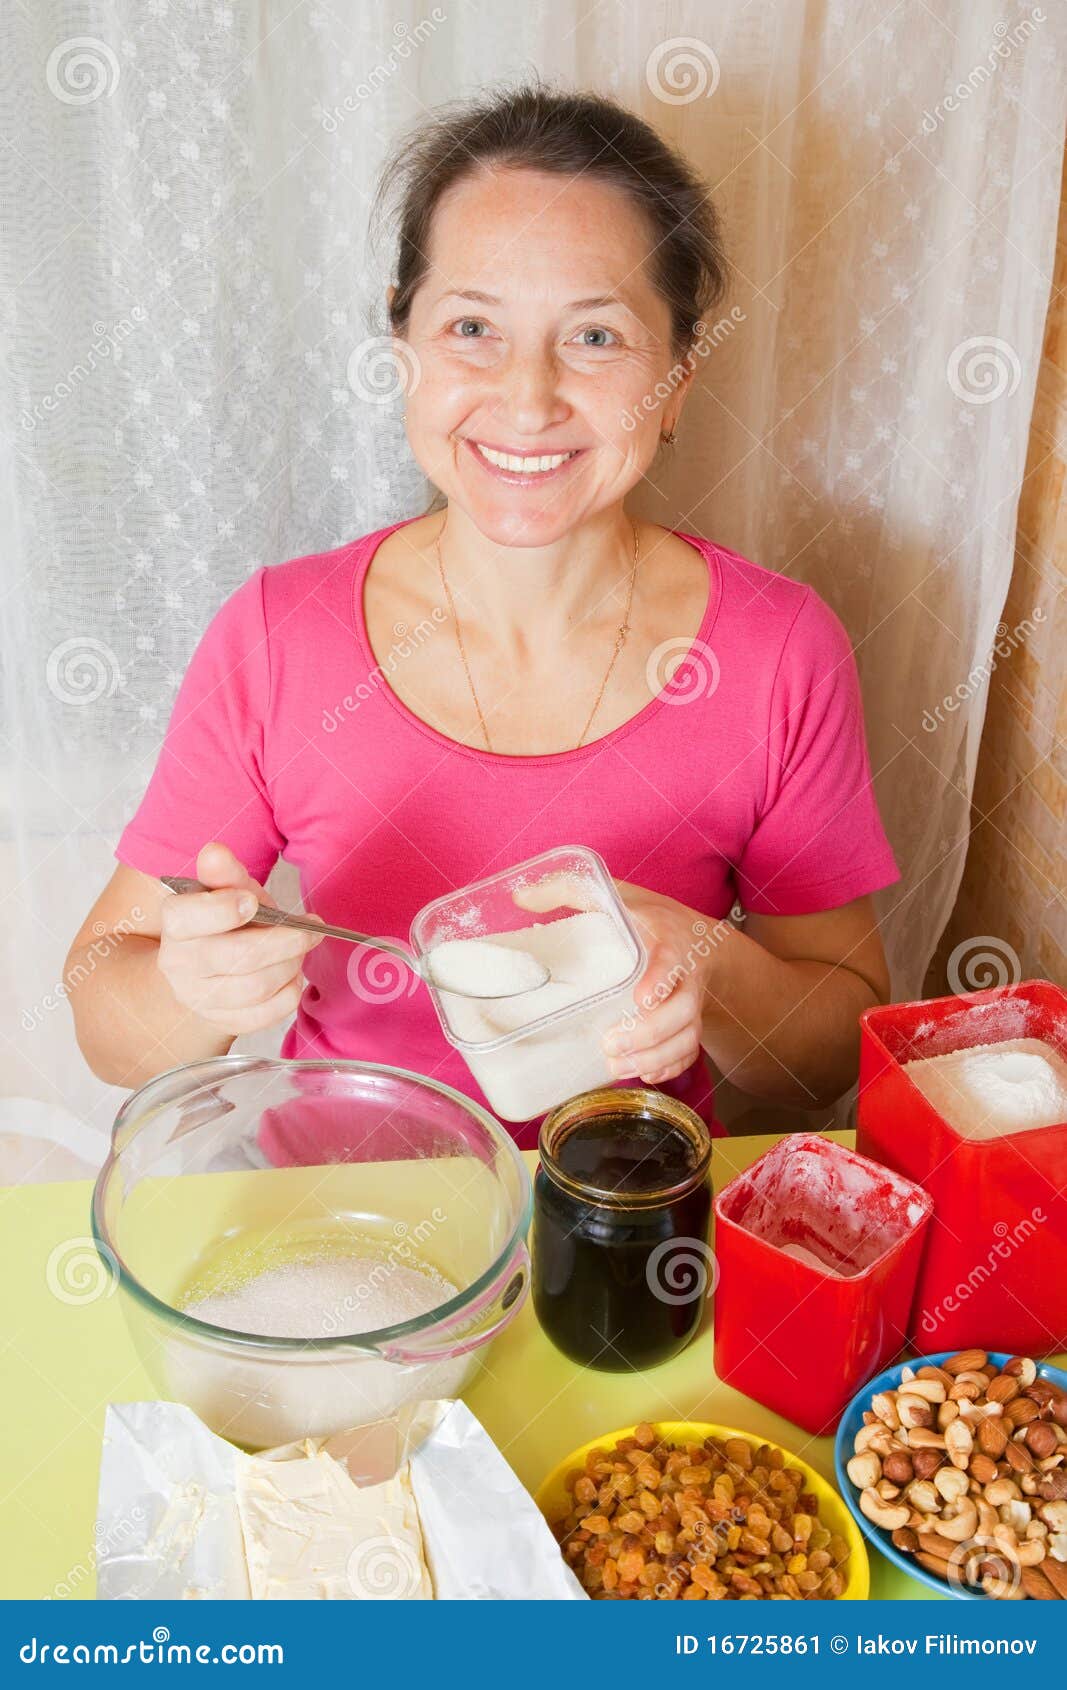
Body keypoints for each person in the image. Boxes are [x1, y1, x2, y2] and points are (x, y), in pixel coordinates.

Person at [66, 83, 897, 1149]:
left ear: (678, 379)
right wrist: (193, 987)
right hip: (335, 1225)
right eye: (471, 327)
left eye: (594, 336)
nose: (526, 397)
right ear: (402, 341)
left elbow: (831, 1055)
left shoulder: (779, 651)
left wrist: (709, 963)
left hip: (620, 1227)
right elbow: (100, 1011)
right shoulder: (279, 636)